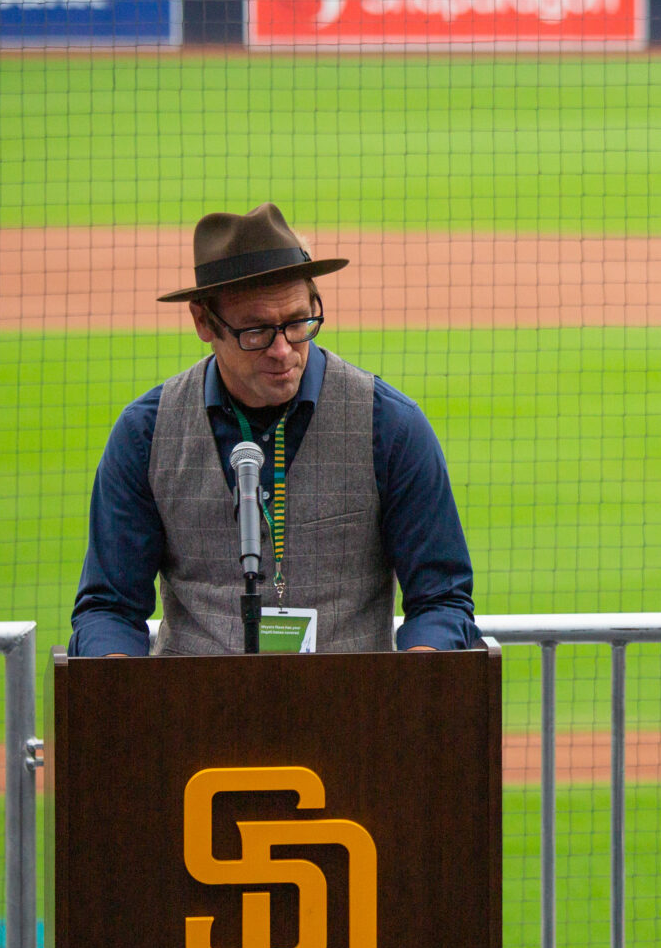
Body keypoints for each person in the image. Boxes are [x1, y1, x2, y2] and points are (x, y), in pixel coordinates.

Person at [70, 203, 480, 657]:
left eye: (298, 322)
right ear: (203, 322)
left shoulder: (390, 427)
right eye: (257, 331)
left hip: (351, 718)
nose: (283, 350)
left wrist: (415, 681)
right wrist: (112, 680)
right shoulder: (144, 435)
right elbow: (109, 607)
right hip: (197, 722)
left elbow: (442, 599)